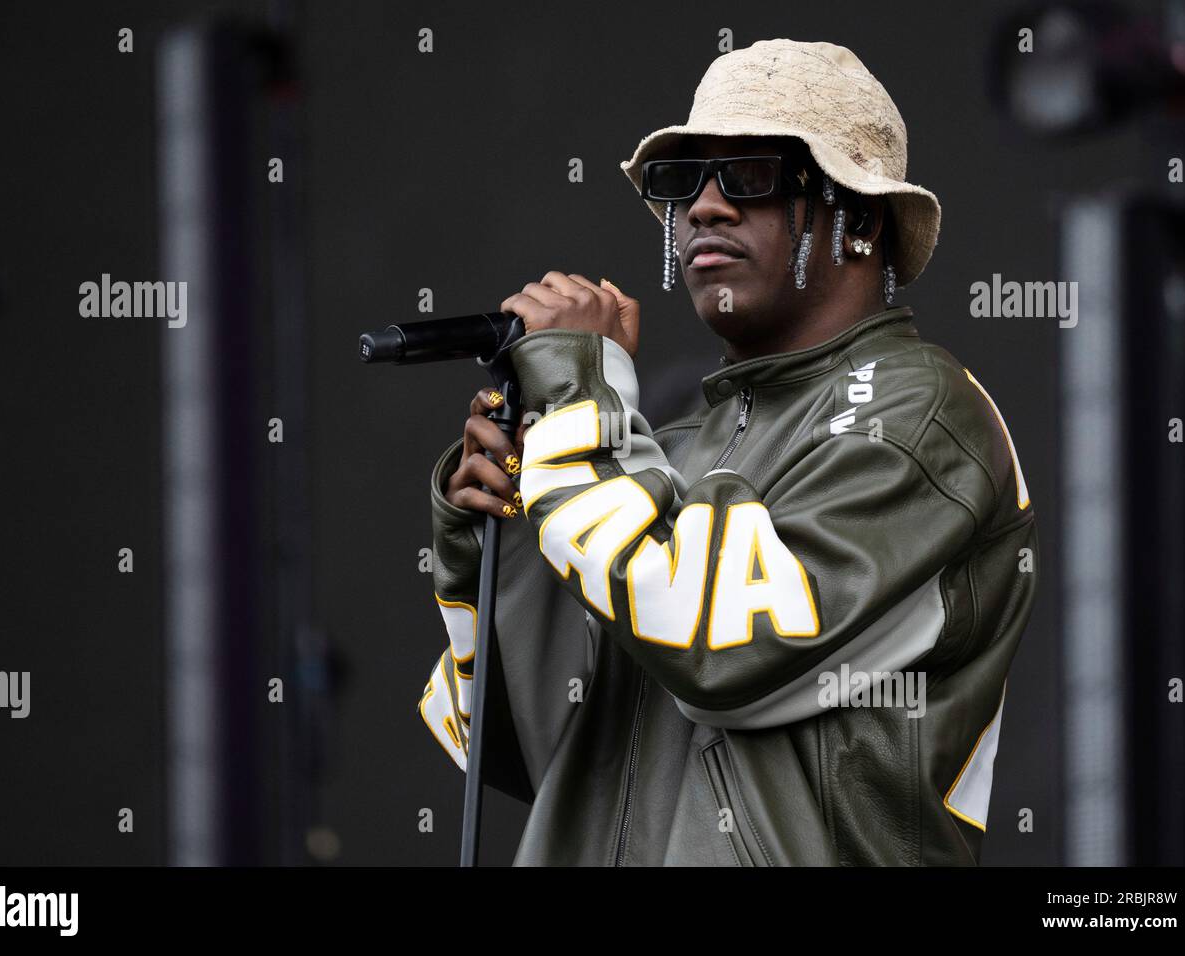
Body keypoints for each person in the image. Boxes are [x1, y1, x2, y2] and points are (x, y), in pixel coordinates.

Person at [417, 39, 1038, 865]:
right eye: (685, 183)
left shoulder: (919, 414)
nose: (704, 208)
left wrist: (579, 410)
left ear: (859, 216)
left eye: (749, 175)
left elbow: (719, 648)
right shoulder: (657, 452)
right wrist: (492, 538)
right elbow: (518, 747)